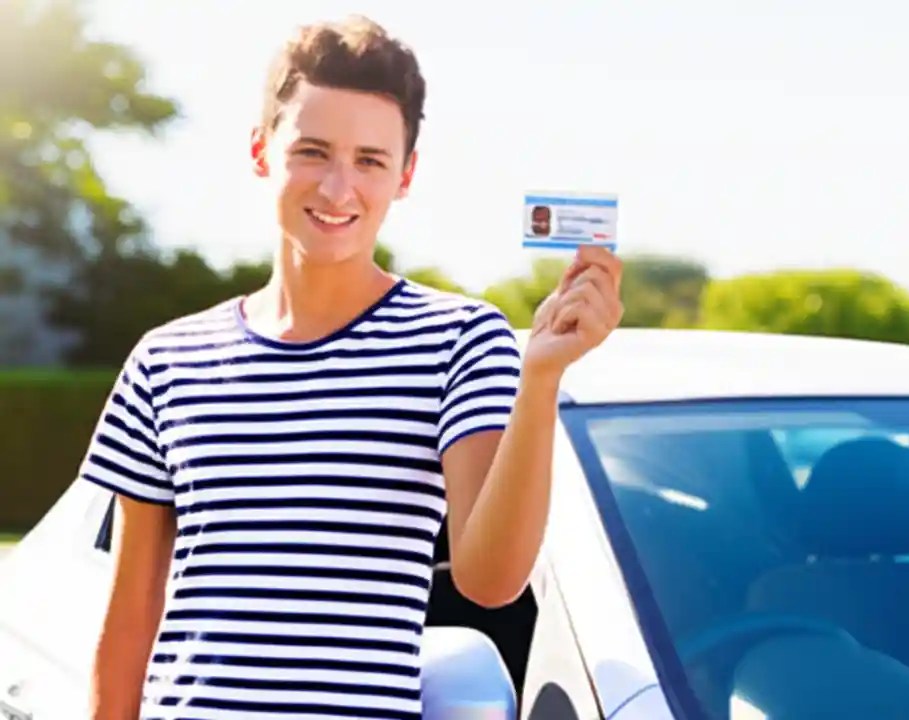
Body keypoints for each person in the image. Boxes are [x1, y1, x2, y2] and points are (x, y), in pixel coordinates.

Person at [83, 15, 623, 720]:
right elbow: (128, 626)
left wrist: (542, 379)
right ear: (260, 149)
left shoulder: (460, 341)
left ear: (405, 175)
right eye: (313, 152)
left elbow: (491, 582)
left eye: (370, 161)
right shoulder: (164, 360)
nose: (339, 189)